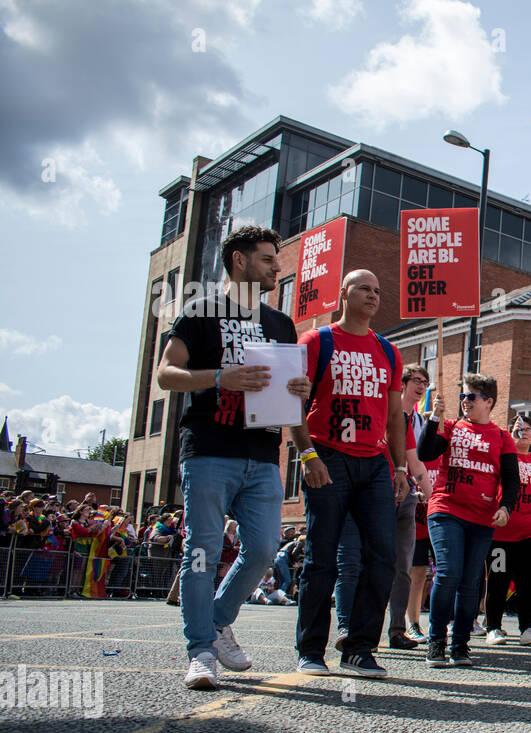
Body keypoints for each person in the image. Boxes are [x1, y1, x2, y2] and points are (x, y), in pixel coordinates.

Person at [156, 225, 310, 690]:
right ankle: (201, 651)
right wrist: (222, 377)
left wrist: (298, 390)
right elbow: (165, 375)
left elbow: (285, 391)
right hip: (209, 448)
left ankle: (219, 621)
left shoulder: (281, 324)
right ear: (239, 261)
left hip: (263, 453)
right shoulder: (200, 311)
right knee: (201, 552)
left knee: (264, 549)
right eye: (267, 259)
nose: (276, 268)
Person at [291, 269, 407, 680]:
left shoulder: (389, 352)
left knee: (383, 557)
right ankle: (310, 650)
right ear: (343, 294)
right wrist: (307, 455)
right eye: (364, 289)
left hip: (374, 462)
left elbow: (395, 415)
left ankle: (359, 648)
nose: (373, 295)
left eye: (378, 290)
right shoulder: (316, 342)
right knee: (322, 558)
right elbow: (292, 405)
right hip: (327, 455)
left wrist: (398, 466)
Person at [417, 374, 519, 667]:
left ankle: (460, 644)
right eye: (463, 396)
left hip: (482, 518)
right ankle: (437, 641)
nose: (465, 401)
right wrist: (433, 420)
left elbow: (511, 480)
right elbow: (425, 452)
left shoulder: (501, 436)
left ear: (488, 402)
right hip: (446, 509)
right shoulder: (449, 427)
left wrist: (506, 508)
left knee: (471, 581)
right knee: (448, 573)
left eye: (471, 397)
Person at [484, 415, 531, 647]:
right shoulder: (501, 459)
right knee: (498, 579)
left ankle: (527, 628)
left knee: (529, 582)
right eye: (517, 428)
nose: (522, 432)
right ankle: (493, 627)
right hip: (501, 534)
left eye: (527, 429)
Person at [384, 366, 435, 649]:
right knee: (374, 562)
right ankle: (360, 629)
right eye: (417, 381)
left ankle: (397, 629)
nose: (422, 386)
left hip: (408, 498)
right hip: (380, 492)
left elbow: (418, 463)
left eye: (426, 382)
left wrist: (432, 496)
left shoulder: (417, 419)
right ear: (402, 384)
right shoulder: (387, 410)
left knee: (403, 566)